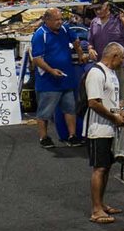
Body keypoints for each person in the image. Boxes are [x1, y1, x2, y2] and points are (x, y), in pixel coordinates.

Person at [30, 8, 88, 149]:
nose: (60, 22)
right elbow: (37, 59)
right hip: (48, 81)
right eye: (56, 20)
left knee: (70, 108)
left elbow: (75, 39)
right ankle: (44, 137)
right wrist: (51, 70)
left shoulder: (64, 28)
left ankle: (72, 136)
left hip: (66, 78)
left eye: (60, 19)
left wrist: (80, 53)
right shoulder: (40, 35)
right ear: (47, 20)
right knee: (44, 111)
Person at [83, 42, 124, 224]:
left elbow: (111, 100)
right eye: (122, 57)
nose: (123, 61)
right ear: (114, 56)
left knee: (106, 167)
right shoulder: (96, 73)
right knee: (99, 168)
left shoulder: (112, 74)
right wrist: (113, 117)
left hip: (110, 127)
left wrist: (119, 113)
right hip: (98, 129)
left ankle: (101, 204)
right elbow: (93, 102)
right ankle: (96, 210)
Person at [86, 0, 124, 99]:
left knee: (122, 98)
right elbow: (90, 42)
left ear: (107, 6)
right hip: (102, 67)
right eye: (95, 10)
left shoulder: (118, 21)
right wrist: (90, 49)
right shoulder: (94, 23)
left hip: (119, 67)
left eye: (100, 8)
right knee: (106, 98)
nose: (98, 12)